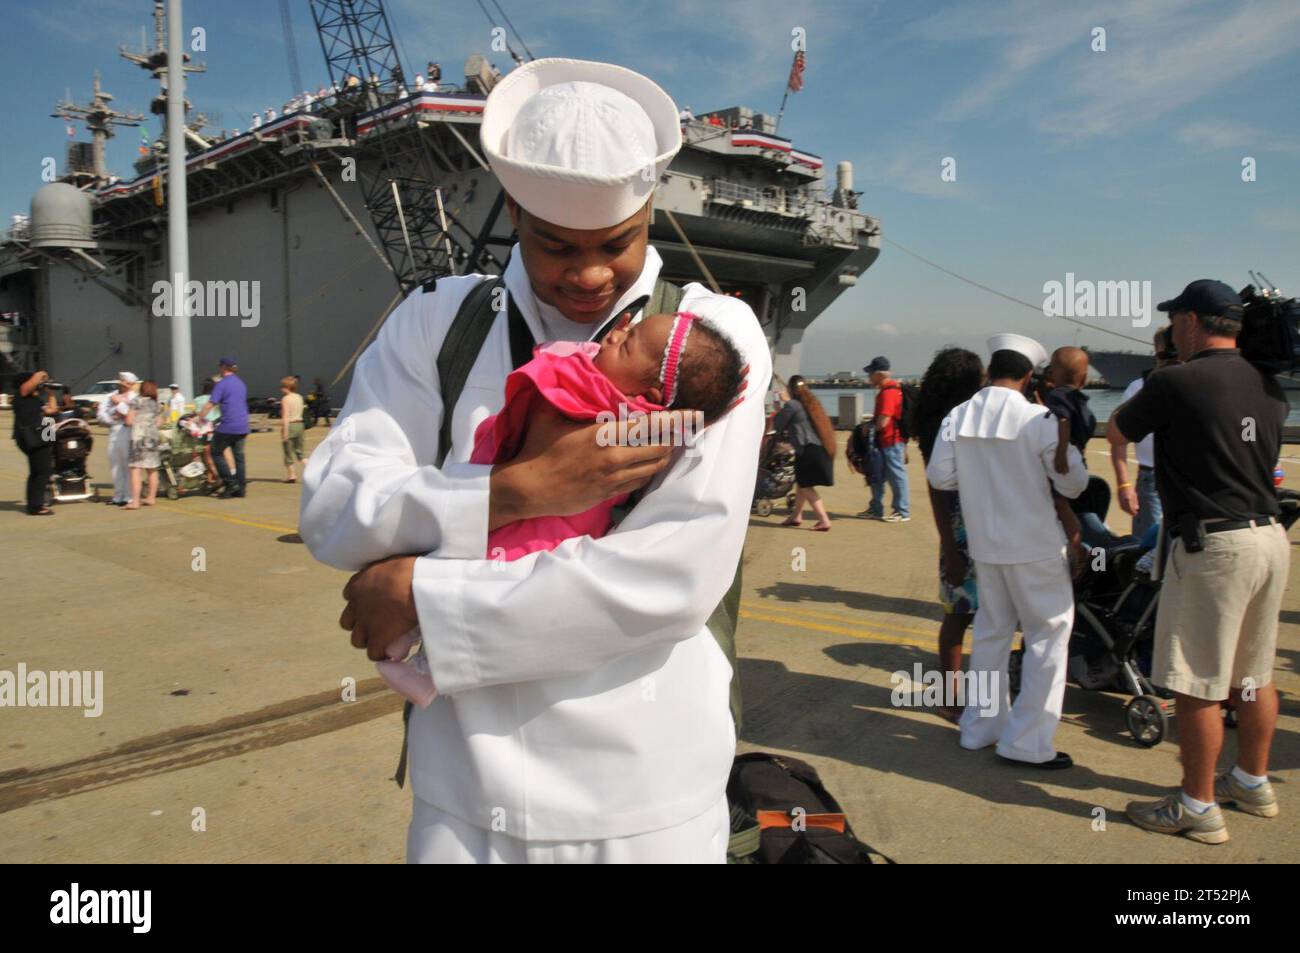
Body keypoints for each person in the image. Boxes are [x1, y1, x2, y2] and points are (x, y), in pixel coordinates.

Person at [300, 57, 770, 864]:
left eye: (615, 243)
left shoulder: (710, 336)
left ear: (651, 207)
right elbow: (333, 511)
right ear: (512, 206)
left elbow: (669, 580)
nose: (588, 275)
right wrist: (512, 492)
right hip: (460, 799)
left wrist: (422, 589)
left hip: (644, 804)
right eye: (556, 245)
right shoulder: (436, 323)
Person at [378, 312, 744, 708]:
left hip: (543, 526)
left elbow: (557, 371)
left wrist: (569, 354)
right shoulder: (656, 424)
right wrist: (706, 414)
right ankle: (416, 647)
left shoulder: (603, 400)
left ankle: (425, 667)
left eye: (627, 343)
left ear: (651, 396)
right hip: (569, 522)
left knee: (477, 566)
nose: (613, 335)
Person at [1110, 280, 1288, 844]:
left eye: (1175, 321)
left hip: (1214, 545)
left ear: (1191, 321)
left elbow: (1117, 428)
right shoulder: (1269, 385)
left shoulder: (1176, 381)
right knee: (1254, 678)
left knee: (1197, 685)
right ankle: (1252, 783)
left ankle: (1196, 806)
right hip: (1270, 537)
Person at [925, 333, 1088, 768]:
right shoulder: (1040, 419)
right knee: (1047, 639)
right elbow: (1073, 484)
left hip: (984, 547)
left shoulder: (957, 415)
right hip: (1035, 546)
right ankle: (1028, 742)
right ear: (1028, 374)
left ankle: (981, 728)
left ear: (991, 370)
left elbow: (940, 477)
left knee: (992, 635)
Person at [914, 347, 986, 724]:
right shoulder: (948, 426)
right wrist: (952, 548)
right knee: (958, 615)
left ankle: (959, 694)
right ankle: (949, 698)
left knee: (962, 614)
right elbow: (937, 493)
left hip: (966, 527)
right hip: (962, 529)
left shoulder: (943, 421)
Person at [1112, 326, 1177, 539]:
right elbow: (1118, 441)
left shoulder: (1194, 383)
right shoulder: (1137, 388)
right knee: (1148, 544)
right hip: (1152, 479)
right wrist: (1124, 485)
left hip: (1188, 476)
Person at [772, 375, 835, 530]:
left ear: (791, 390)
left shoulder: (793, 405)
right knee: (802, 483)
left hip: (807, 450)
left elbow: (778, 424)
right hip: (818, 449)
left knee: (806, 486)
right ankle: (796, 516)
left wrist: (782, 404)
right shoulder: (809, 403)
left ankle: (824, 520)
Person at [862, 355, 909, 522]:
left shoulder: (889, 392)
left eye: (871, 373)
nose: (868, 377)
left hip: (891, 441)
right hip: (888, 440)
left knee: (896, 475)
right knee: (878, 476)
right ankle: (876, 508)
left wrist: (870, 428)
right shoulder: (889, 390)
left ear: (879, 374)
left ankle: (901, 511)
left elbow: (884, 419)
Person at [11, 369, 58, 515]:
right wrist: (41, 374)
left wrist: (51, 393)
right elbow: (26, 387)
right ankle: (36, 506)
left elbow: (52, 410)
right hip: (33, 437)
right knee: (41, 471)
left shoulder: (34, 399)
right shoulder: (21, 396)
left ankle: (36, 503)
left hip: (42, 434)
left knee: (41, 471)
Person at [97, 371, 138, 506]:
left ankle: (128, 496)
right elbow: (101, 414)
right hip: (114, 430)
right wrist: (112, 418)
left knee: (127, 464)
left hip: (127, 432)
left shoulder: (134, 397)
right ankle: (118, 495)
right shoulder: (110, 396)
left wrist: (120, 404)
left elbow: (130, 413)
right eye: (120, 380)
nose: (121, 383)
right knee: (115, 465)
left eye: (125, 381)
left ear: (131, 384)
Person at [210, 357, 249, 498]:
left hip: (228, 425)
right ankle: (241, 488)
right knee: (239, 457)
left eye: (220, 366)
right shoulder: (241, 383)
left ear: (224, 367)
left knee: (215, 452)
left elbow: (212, 403)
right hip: (242, 425)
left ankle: (230, 484)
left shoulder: (222, 384)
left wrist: (199, 416)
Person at [125, 380, 163, 509]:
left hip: (138, 438)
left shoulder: (136, 401)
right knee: (152, 469)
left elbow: (129, 421)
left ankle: (135, 501)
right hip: (152, 439)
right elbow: (159, 421)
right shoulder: (155, 404)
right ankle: (151, 497)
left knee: (136, 469)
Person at [280, 376, 306, 484]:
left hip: (290, 425)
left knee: (288, 452)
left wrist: (285, 432)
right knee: (300, 452)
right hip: (300, 424)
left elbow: (285, 416)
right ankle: (312, 469)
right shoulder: (299, 397)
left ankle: (292, 475)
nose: (281, 389)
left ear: (286, 387)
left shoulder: (285, 399)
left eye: (282, 386)